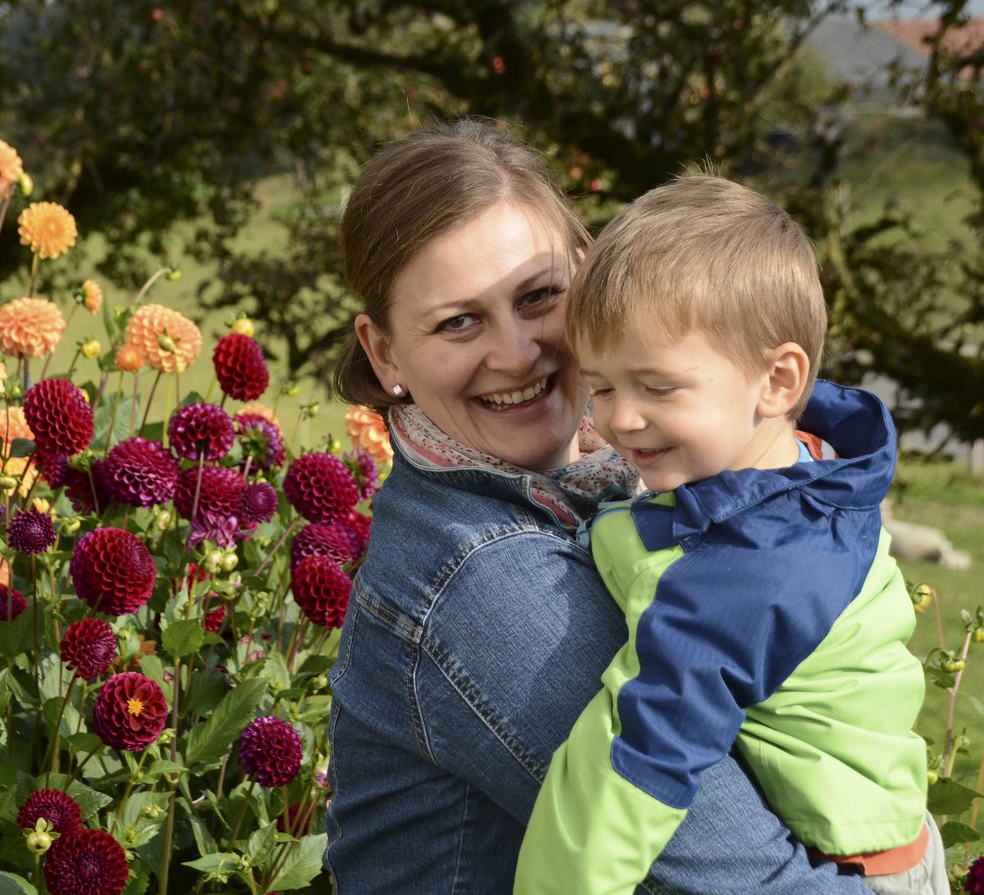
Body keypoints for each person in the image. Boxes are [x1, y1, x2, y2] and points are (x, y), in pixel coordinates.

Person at [325, 119, 872, 893]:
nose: (516, 353)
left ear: (590, 276)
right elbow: (758, 882)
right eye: (459, 321)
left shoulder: (617, 478)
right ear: (385, 353)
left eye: (540, 296)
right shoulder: (487, 579)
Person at [515, 172, 946, 895]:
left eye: (655, 387)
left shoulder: (745, 573)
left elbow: (631, 764)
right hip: (893, 837)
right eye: (605, 385)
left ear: (777, 382)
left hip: (839, 867)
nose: (618, 420)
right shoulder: (801, 469)